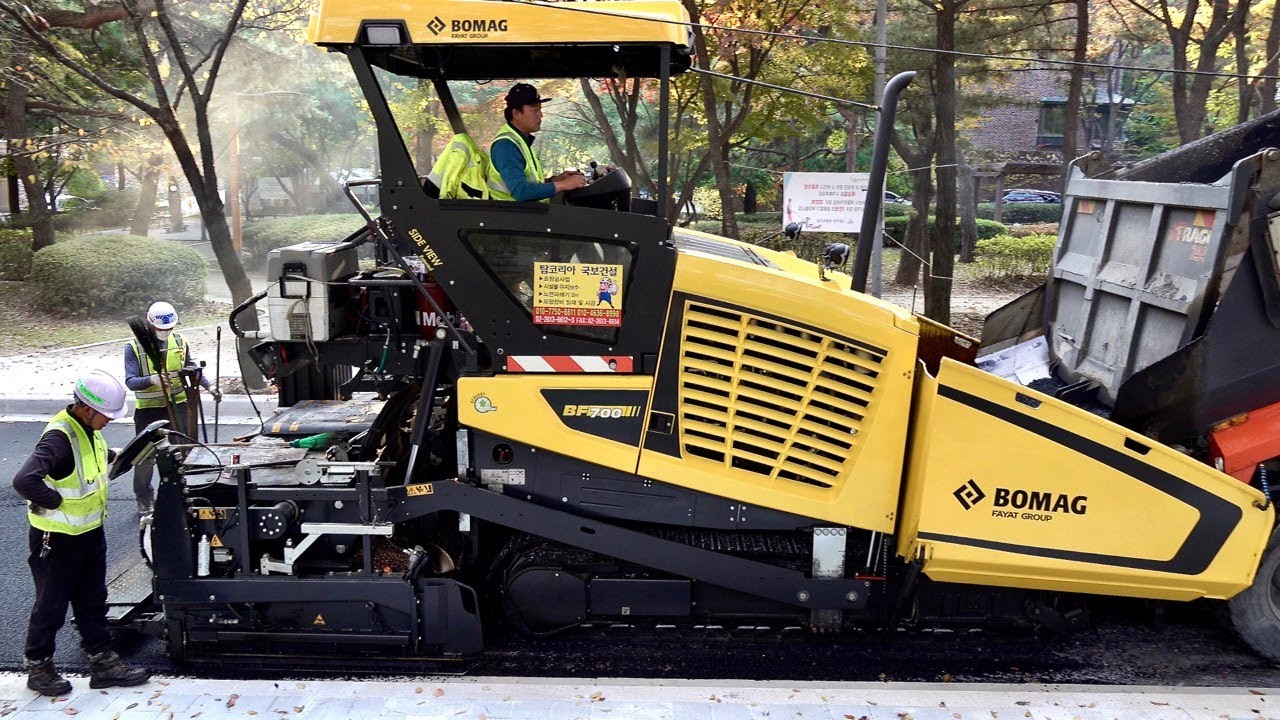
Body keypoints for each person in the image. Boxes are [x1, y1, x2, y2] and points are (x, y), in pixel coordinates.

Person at [13, 371, 151, 696]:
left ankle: (103, 664)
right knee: (51, 605)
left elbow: (87, 464)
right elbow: (25, 481)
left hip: (89, 533)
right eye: (107, 415)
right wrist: (55, 500)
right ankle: (38, 667)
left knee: (92, 601)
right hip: (58, 540)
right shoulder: (59, 438)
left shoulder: (88, 429)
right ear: (87, 408)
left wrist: (114, 457)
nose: (109, 421)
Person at [124, 301, 219, 514]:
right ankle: (144, 497)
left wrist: (209, 387)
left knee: (183, 452)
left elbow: (192, 368)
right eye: (161, 329)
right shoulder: (134, 347)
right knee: (145, 458)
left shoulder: (180, 341)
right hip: (149, 411)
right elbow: (130, 381)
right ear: (150, 325)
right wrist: (152, 380)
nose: (166, 333)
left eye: (169, 329)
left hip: (178, 407)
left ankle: (184, 493)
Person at [488, 82, 588, 202]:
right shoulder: (506, 146)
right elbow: (520, 191)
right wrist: (563, 185)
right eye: (534, 110)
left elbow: (529, 183)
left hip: (530, 214)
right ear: (516, 113)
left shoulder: (521, 141)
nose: (540, 115)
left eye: (540, 110)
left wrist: (555, 180)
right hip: (514, 216)